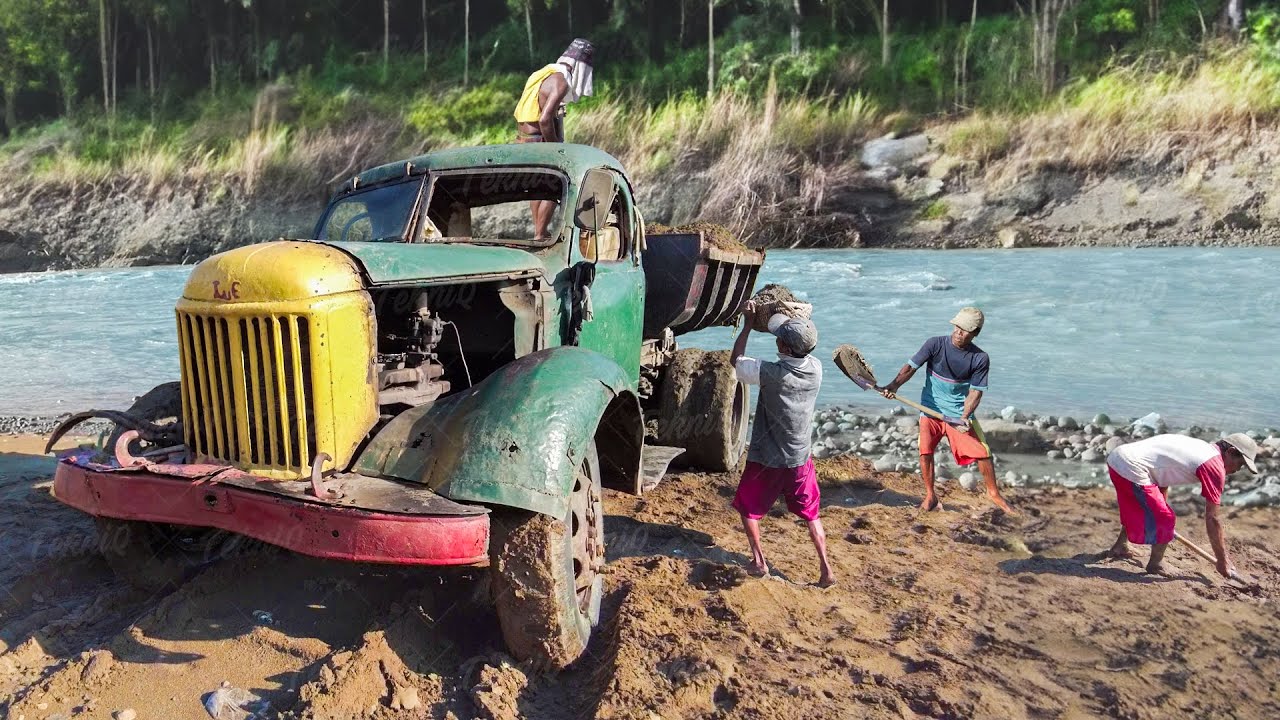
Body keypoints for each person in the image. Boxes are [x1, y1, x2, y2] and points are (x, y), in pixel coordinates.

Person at [729, 301, 835, 588]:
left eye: (780, 339)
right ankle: (826, 569)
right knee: (811, 513)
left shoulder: (771, 374)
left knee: (748, 508)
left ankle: (759, 561)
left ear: (784, 348)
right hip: (800, 457)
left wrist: (748, 324)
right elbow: (802, 343)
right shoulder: (816, 369)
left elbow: (736, 360)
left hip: (767, 458)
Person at [876, 307, 1015, 514]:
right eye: (957, 326)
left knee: (982, 452)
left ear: (975, 333)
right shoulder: (935, 344)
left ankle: (993, 493)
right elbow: (910, 367)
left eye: (965, 329)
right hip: (929, 408)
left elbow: (975, 393)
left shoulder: (980, 358)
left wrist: (964, 417)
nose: (959, 332)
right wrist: (893, 386)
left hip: (957, 414)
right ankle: (930, 495)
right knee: (925, 451)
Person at [1105, 432, 1258, 576]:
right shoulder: (1214, 466)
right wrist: (1222, 559)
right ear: (1230, 452)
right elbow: (1213, 518)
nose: (1238, 470)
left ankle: (1120, 546)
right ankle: (1156, 564)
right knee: (1166, 518)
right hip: (1131, 466)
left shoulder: (1202, 448)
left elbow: (1162, 470)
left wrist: (1158, 504)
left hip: (1120, 457)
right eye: (1240, 464)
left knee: (1142, 507)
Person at [513, 38, 595, 241]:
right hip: (539, 140)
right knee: (555, 186)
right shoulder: (561, 82)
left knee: (537, 187)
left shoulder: (543, 73)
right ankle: (540, 233)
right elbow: (544, 120)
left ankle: (538, 233)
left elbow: (541, 109)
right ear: (579, 68)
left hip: (524, 139)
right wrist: (556, 149)